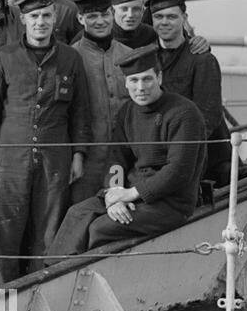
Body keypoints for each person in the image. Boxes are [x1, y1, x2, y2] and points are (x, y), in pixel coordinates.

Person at [49, 44, 206, 252]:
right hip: (131, 194)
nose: (140, 87)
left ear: (159, 78)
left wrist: (131, 194)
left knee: (100, 228)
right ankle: (53, 276)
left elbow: (178, 172)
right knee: (77, 213)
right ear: (126, 83)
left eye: (147, 79)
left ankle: (84, 279)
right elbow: (116, 159)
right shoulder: (128, 112)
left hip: (170, 203)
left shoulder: (184, 113)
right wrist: (114, 195)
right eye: (134, 80)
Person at [0, 0, 92, 282]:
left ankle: (40, 290)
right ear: (23, 20)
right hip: (11, 154)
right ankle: (2, 294)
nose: (40, 22)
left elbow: (81, 110)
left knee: (49, 226)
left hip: (55, 155)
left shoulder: (71, 58)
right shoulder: (5, 57)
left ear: (55, 17)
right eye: (34, 16)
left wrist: (79, 155)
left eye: (46, 15)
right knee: (6, 225)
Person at [148, 0, 232, 186]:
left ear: (184, 18)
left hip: (207, 161)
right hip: (163, 155)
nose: (164, 22)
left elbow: (208, 115)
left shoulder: (202, 60)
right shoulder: (149, 58)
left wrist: (178, 152)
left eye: (172, 17)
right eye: (158, 17)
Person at [68, 0, 127, 205]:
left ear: (113, 15)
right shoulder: (70, 58)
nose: (100, 21)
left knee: (119, 214)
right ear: (80, 19)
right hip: (87, 161)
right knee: (82, 212)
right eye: (92, 16)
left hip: (122, 159)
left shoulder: (129, 57)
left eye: (105, 14)